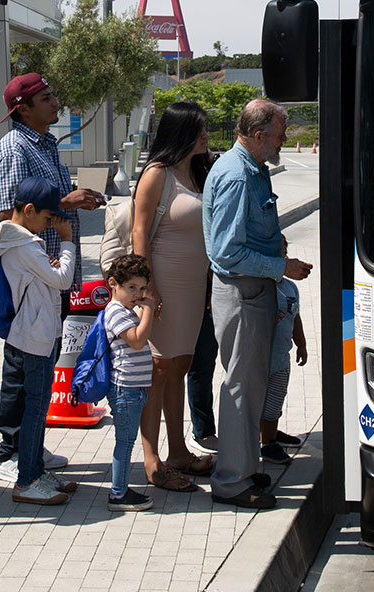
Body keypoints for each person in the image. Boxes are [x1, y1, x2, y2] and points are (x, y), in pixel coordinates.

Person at [0, 73, 105, 483]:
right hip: (27, 279)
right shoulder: (12, 150)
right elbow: (8, 217)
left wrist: (75, 198)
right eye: (47, 98)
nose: (56, 103)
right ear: (23, 108)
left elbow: (44, 200)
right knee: (21, 366)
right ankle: (10, 452)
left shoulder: (44, 144)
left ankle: (28, 447)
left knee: (41, 365)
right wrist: (65, 202)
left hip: (50, 274)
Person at [203, 99, 312, 510]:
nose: (285, 139)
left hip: (252, 292)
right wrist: (281, 266)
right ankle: (231, 481)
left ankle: (244, 468)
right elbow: (227, 252)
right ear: (258, 134)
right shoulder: (236, 176)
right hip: (243, 292)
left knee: (250, 387)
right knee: (241, 388)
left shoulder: (252, 170)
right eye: (281, 133)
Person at [129, 101, 216, 491]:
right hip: (163, 283)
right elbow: (139, 233)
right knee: (158, 371)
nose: (206, 135)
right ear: (180, 132)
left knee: (179, 366)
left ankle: (178, 450)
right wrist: (148, 288)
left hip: (194, 284)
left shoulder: (199, 171)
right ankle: (152, 460)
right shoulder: (156, 174)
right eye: (199, 129)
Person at [0, 177, 82, 505]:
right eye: (46, 219)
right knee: (36, 408)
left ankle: (35, 471)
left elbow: (39, 279)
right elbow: (64, 280)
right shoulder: (24, 245)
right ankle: (27, 480)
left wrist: (48, 266)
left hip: (24, 333)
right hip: (35, 337)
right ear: (28, 210)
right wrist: (67, 243)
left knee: (31, 405)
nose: (51, 226)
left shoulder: (8, 241)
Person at [99, 254, 156, 512]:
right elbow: (136, 340)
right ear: (113, 284)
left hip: (134, 389)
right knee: (124, 442)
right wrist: (149, 312)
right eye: (131, 287)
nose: (138, 293)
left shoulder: (126, 310)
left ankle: (120, 488)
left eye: (142, 288)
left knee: (126, 440)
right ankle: (118, 494)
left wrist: (144, 312)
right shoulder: (115, 312)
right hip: (125, 389)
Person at [259, 265, 308, 466]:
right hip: (258, 361)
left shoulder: (290, 287)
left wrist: (302, 345)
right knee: (259, 404)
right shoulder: (259, 287)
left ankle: (271, 436)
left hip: (281, 360)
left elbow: (296, 318)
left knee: (275, 402)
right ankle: (266, 442)